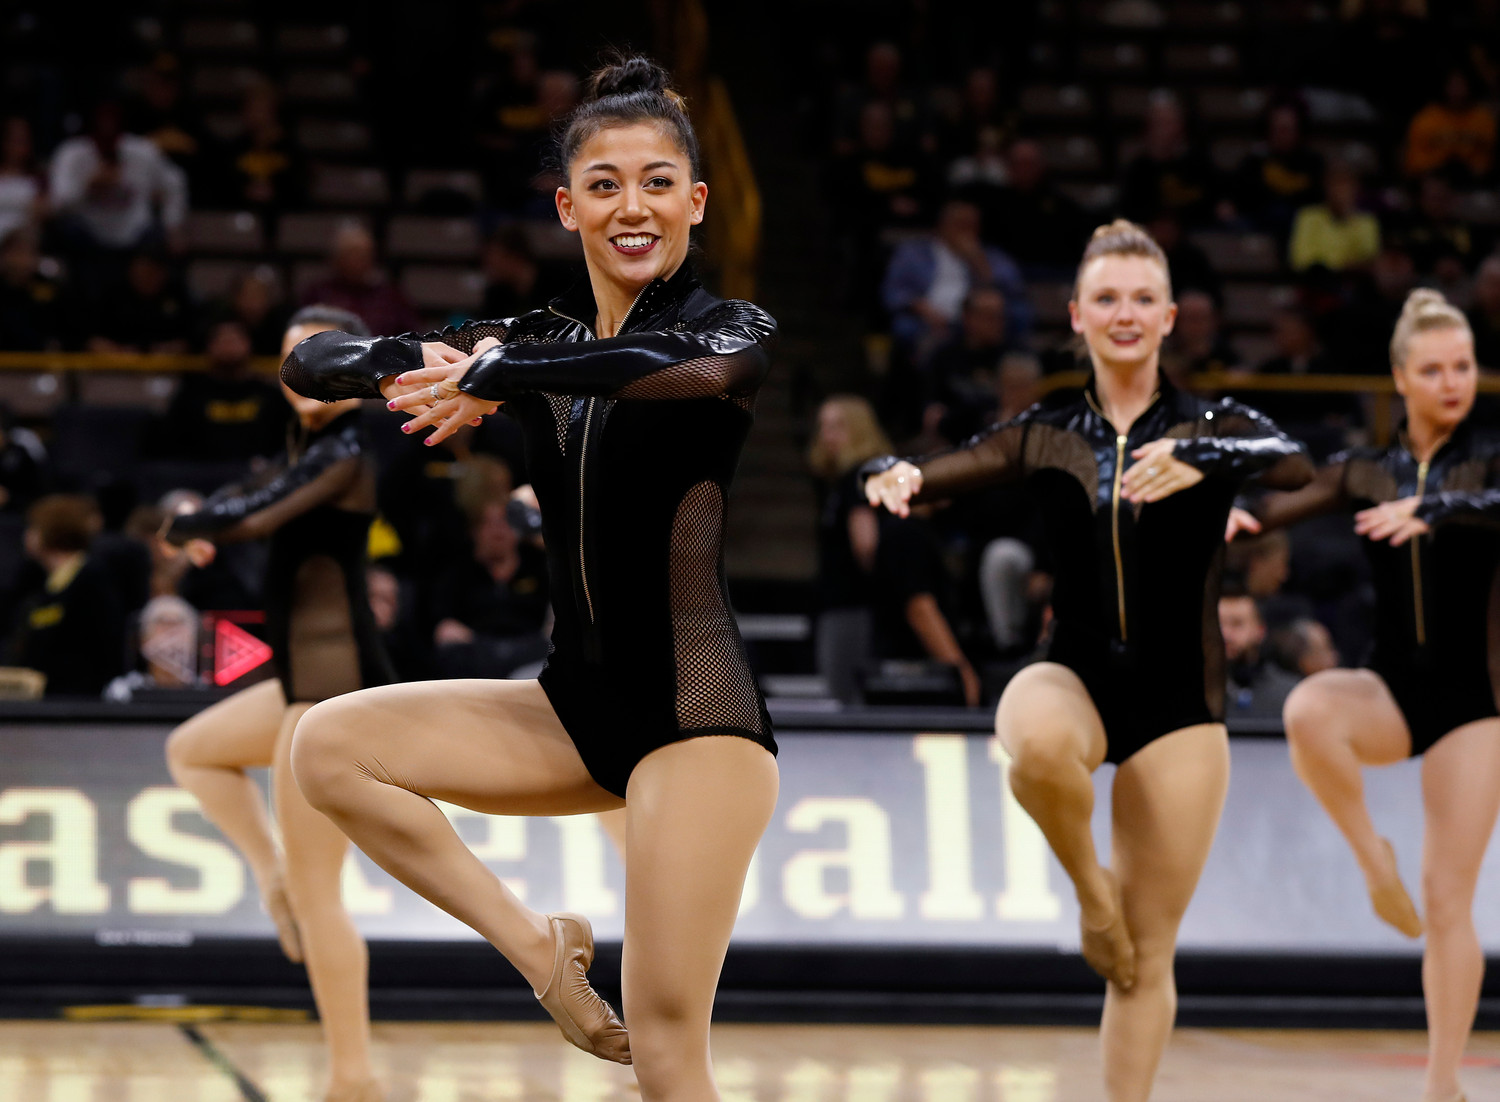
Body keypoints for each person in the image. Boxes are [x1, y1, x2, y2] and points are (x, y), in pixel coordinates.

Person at [278, 57, 780, 1099]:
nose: (630, 206)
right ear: (567, 206)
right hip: (571, 708)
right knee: (325, 746)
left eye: (655, 182)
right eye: (603, 183)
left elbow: (683, 373)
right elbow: (310, 365)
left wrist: (496, 374)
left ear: (695, 199)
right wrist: (407, 364)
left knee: (669, 1044)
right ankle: (538, 948)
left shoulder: (726, 330)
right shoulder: (534, 342)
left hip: (696, 721)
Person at [864, 220, 1312, 1102]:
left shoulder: (1210, 422)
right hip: (1073, 672)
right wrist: (899, 471)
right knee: (1029, 741)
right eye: (1107, 298)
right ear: (1076, 313)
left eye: (1144, 298)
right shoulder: (1050, 429)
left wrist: (1201, 456)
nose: (1126, 313)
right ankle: (1089, 892)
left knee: (1143, 963)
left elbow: (1293, 465)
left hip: (1183, 702)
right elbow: (963, 463)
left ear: (1172, 315)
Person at [1227, 288, 1500, 1102]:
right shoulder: (1366, 469)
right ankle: (1368, 857)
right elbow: (1278, 504)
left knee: (1448, 900)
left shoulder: (1489, 460)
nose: (1453, 382)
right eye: (1434, 369)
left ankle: (1441, 1084)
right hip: (1390, 686)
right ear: (1399, 376)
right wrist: (1236, 514)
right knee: (1308, 709)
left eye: (1464, 366)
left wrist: (1439, 507)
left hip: (1475, 702)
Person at [160, 305, 393, 1102]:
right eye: (294, 358)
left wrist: (192, 522)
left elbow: (255, 514)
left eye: (324, 357)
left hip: (336, 692)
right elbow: (246, 490)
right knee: (193, 750)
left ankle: (352, 1077)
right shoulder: (302, 445)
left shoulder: (350, 448)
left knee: (326, 893)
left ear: (354, 367)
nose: (306, 372)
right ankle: (272, 879)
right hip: (297, 684)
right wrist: (198, 516)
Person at [5, 494, 126, 696]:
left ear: (50, 531)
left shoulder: (93, 581)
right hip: (46, 700)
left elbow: (106, 649)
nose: (26, 535)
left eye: (33, 528)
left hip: (78, 704)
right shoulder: (44, 586)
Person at [155, 318, 291, 465]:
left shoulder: (270, 396)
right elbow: (172, 445)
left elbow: (285, 444)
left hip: (259, 476)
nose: (229, 346)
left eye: (235, 340)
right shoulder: (191, 395)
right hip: (201, 476)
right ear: (209, 347)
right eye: (222, 340)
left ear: (249, 345)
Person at [299, 223, 420, 338]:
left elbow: (411, 337)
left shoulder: (390, 298)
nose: (358, 260)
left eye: (364, 253)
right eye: (352, 253)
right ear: (336, 257)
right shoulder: (319, 294)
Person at [1218, 585, 1300, 721]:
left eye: (1237, 624)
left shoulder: (1289, 695)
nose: (1225, 634)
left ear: (1260, 631)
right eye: (1217, 623)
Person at [1289, 161, 1380, 273]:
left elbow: (1369, 258)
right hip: (1314, 281)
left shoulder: (1367, 221)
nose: (1340, 190)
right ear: (1326, 187)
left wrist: (1349, 217)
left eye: (1346, 184)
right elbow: (1301, 259)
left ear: (1356, 188)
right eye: (1335, 183)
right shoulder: (1308, 216)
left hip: (1353, 283)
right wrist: (1340, 267)